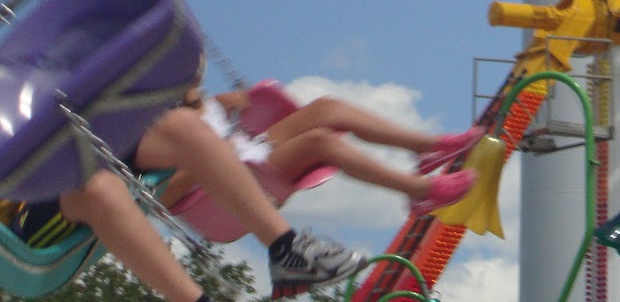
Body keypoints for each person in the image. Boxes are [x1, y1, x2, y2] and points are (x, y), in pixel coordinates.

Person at [4, 102, 365, 302]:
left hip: (72, 155)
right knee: (97, 187)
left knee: (182, 125)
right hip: (27, 221)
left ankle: (287, 250)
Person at [168, 83, 481, 219]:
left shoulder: (207, 102)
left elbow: (251, 106)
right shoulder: (155, 135)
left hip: (251, 151)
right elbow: (163, 198)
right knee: (320, 141)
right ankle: (419, 191)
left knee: (328, 108)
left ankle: (426, 149)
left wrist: (242, 103)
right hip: (231, 185)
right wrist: (209, 153)